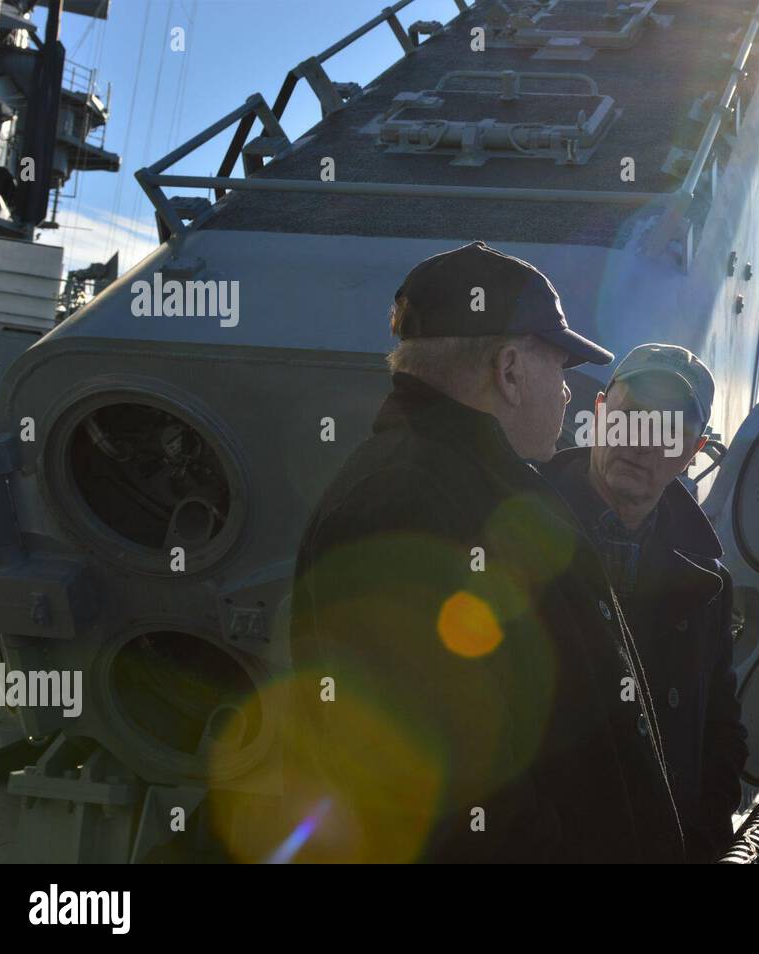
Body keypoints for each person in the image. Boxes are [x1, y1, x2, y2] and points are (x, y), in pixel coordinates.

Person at [286, 242, 683, 863]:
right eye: (561, 369)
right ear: (510, 371)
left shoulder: (456, 486)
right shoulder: (405, 503)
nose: (569, 395)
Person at [541, 344, 748, 862]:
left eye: (669, 431)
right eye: (631, 416)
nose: (641, 442)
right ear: (599, 414)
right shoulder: (514, 531)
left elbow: (721, 735)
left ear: (692, 451)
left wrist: (702, 844)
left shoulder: (709, 587)